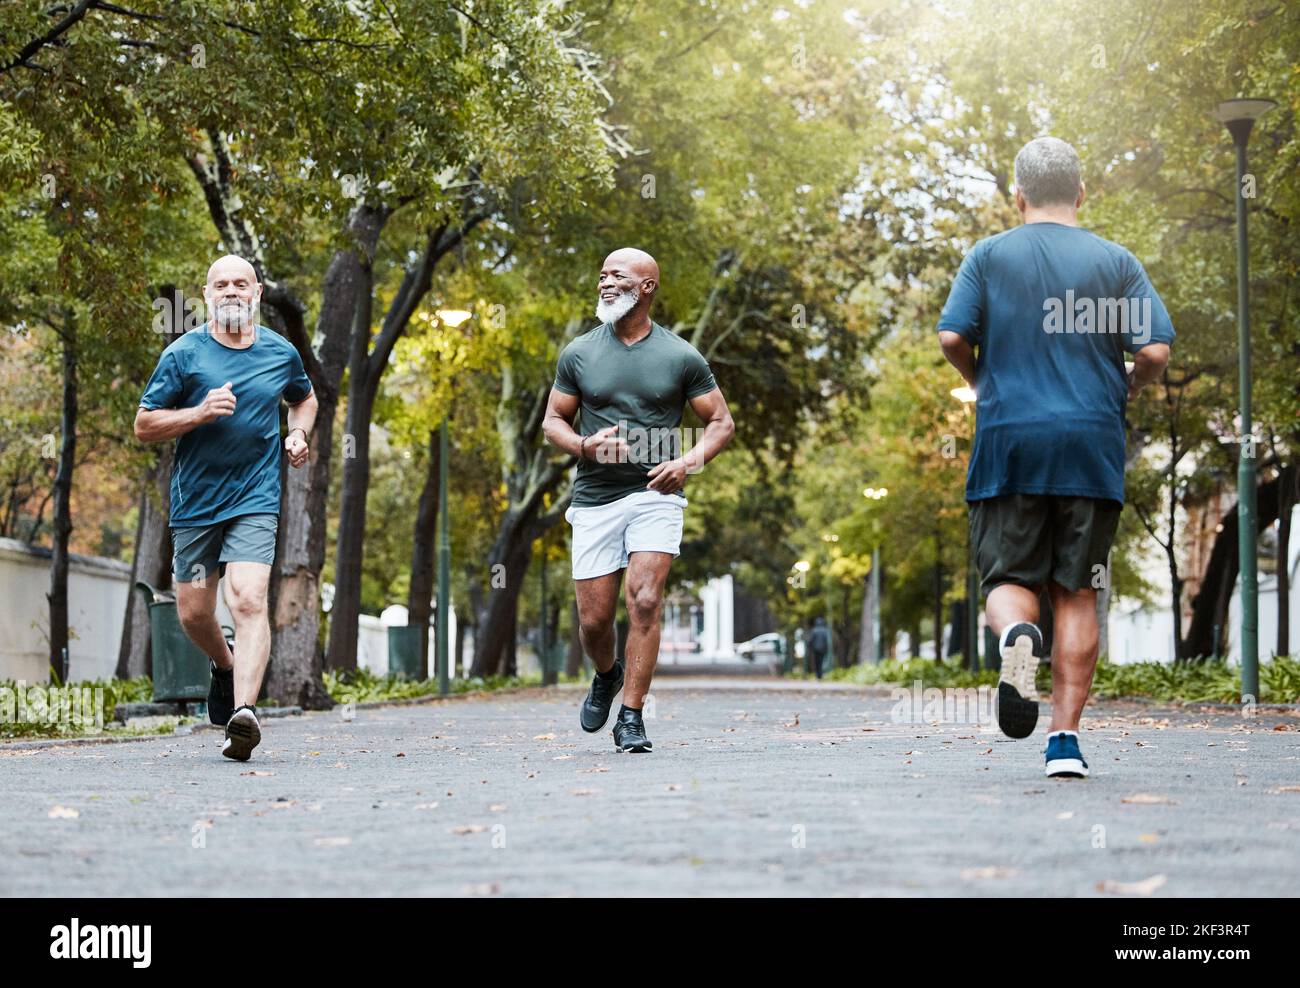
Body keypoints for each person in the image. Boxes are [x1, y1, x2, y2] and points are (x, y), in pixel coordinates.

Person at [937, 137, 1173, 778]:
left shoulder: (988, 256)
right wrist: (1125, 387)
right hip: (1090, 446)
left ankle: (1018, 642)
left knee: (1008, 582)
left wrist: (983, 379)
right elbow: (1152, 353)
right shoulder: (1116, 262)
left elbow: (953, 334)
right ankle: (1064, 742)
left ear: (1018, 195)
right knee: (1076, 593)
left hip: (1009, 441)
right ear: (1081, 192)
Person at [543, 247, 735, 752]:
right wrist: (584, 444)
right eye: (601, 275)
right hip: (594, 498)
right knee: (594, 621)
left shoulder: (679, 356)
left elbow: (721, 422)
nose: (604, 283)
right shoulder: (579, 353)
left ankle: (631, 716)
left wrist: (688, 462)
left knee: (645, 599)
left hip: (655, 493)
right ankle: (606, 674)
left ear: (646, 287)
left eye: (617, 276)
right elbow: (552, 421)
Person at [135, 255, 317, 761]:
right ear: (207, 295)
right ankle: (224, 664)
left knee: (249, 598)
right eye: (222, 284)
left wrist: (298, 433)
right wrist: (198, 412)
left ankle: (244, 715)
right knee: (194, 612)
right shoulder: (183, 354)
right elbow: (144, 424)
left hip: (255, 497)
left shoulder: (281, 353)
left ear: (257, 293)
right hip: (196, 502)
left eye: (242, 283)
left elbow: (304, 398)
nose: (232, 291)